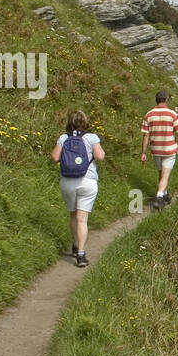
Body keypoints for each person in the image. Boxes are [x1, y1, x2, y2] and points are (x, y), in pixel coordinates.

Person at [51, 110, 105, 268]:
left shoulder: (63, 138)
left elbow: (55, 158)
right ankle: (81, 254)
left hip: (67, 182)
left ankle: (75, 244)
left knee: (73, 215)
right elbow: (100, 156)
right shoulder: (91, 137)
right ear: (85, 122)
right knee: (82, 218)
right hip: (87, 181)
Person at [140, 89, 178, 209]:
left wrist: (143, 152)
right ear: (166, 100)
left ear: (156, 100)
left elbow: (146, 135)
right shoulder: (172, 114)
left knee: (161, 173)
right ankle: (159, 197)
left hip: (156, 149)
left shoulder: (148, 114)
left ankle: (165, 195)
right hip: (169, 149)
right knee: (165, 175)